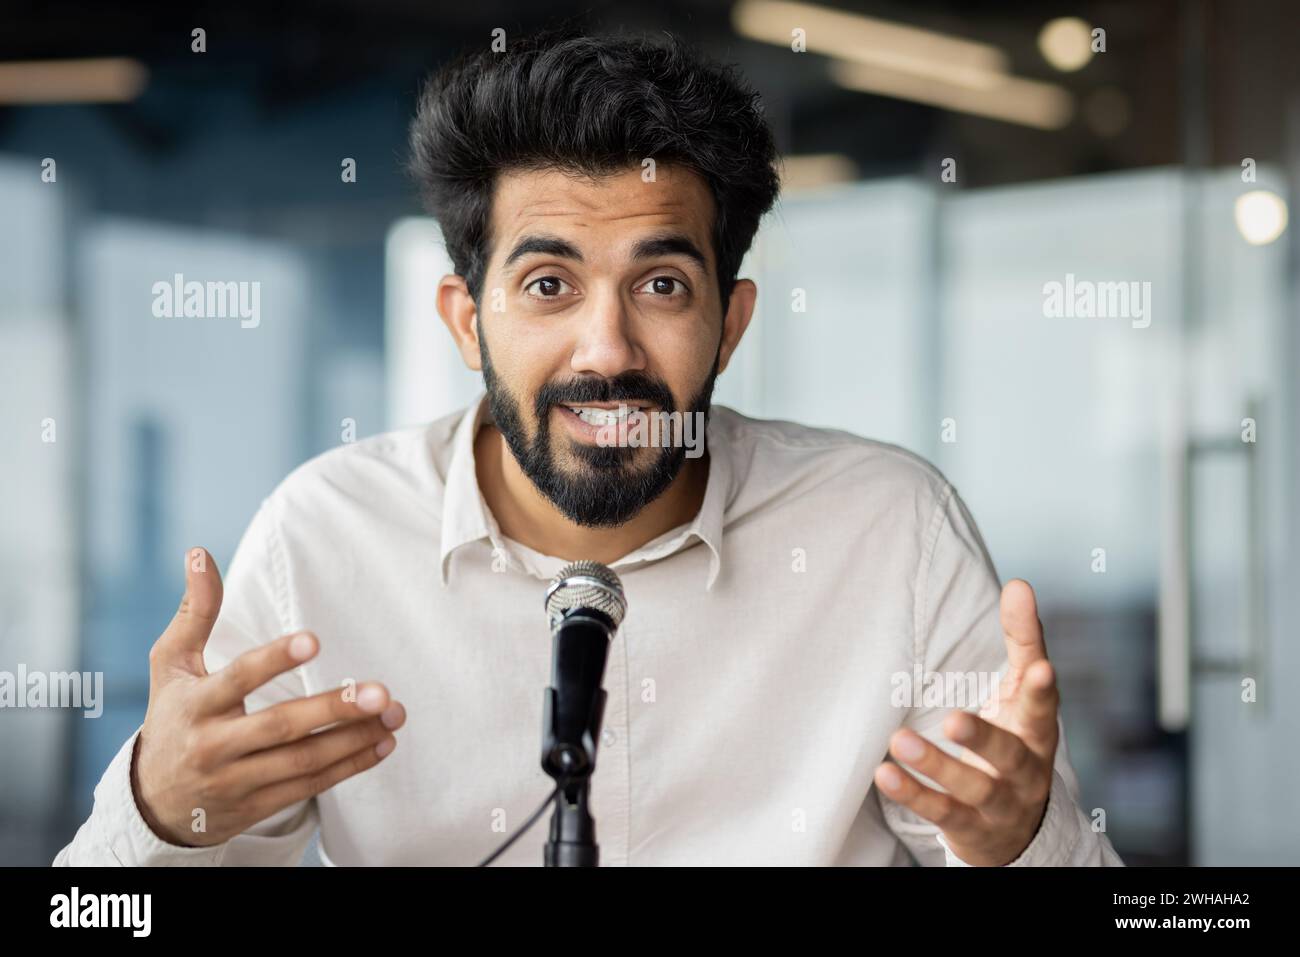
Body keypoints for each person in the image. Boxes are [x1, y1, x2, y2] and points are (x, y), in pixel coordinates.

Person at [55, 28, 1122, 866]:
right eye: (547, 285)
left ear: (730, 321)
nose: (605, 348)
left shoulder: (888, 530)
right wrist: (161, 808)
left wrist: (1020, 847)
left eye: (661, 285)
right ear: (467, 321)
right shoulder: (325, 533)